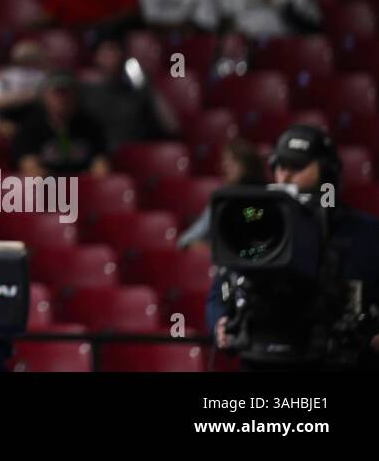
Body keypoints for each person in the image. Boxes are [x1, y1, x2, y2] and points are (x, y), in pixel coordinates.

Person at [207, 125, 379, 366]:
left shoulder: (366, 233)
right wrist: (220, 322)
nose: (285, 176)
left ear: (328, 174)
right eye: (278, 167)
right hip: (262, 362)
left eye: (296, 167)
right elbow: (221, 290)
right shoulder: (256, 226)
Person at [79, 36, 178, 149]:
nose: (111, 57)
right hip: (100, 157)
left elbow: (171, 126)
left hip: (134, 155)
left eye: (115, 50)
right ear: (96, 57)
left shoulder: (138, 91)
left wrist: (148, 87)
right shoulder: (86, 92)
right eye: (106, 52)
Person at [12, 72, 111, 177]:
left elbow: (101, 166)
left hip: (85, 189)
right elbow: (31, 168)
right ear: (44, 97)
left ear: (78, 96)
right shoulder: (30, 127)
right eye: (57, 93)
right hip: (45, 190)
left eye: (68, 92)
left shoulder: (91, 126)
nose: (62, 99)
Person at [177, 138, 265, 249]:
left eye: (233, 160)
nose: (225, 166)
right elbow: (186, 239)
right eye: (225, 160)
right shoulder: (222, 198)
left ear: (248, 163)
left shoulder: (269, 197)